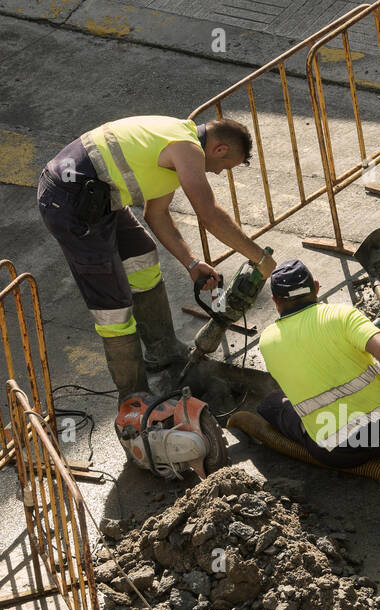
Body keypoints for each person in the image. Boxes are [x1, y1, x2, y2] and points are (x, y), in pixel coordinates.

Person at [38, 115, 277, 398]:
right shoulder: (186, 148)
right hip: (70, 202)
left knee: (142, 255)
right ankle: (134, 397)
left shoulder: (174, 146)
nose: (219, 173)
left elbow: (156, 214)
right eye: (225, 167)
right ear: (220, 149)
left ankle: (163, 353)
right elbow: (209, 214)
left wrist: (191, 263)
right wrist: (260, 258)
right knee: (113, 307)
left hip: (101, 197)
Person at [257, 259, 380, 468]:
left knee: (273, 403)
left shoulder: (267, 341)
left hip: (339, 452)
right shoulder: (342, 315)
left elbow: (311, 358)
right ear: (316, 287)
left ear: (275, 300)